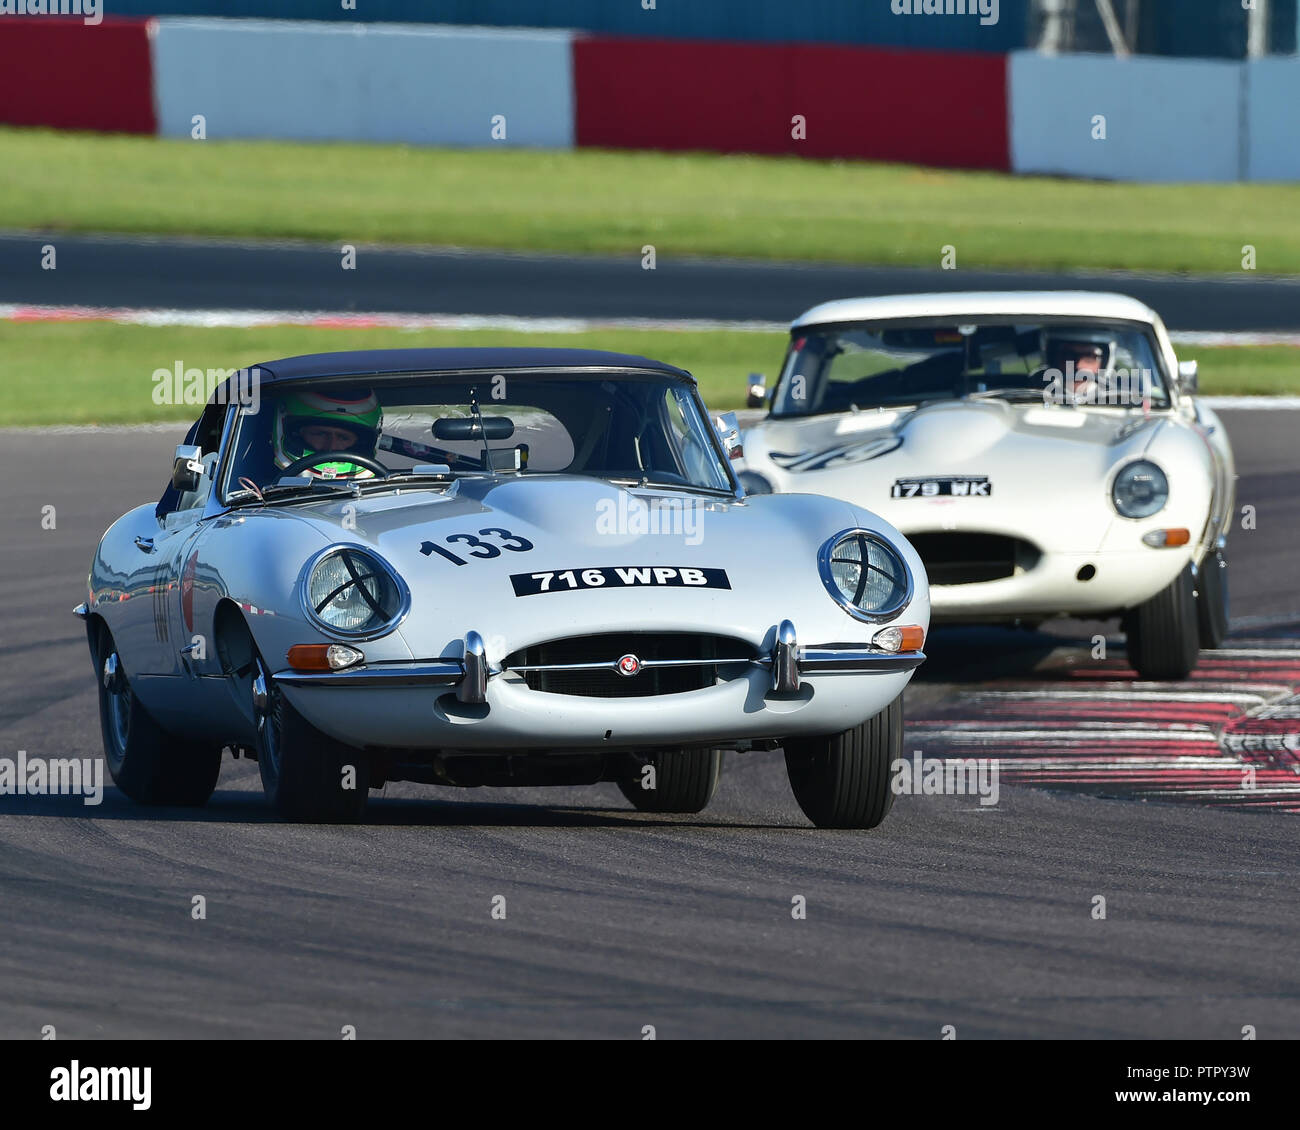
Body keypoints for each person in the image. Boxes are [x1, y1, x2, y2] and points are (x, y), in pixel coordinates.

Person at [272, 389, 383, 479]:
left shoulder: (384, 495)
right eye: (320, 434)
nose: (331, 446)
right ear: (296, 434)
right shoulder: (256, 486)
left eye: (343, 437)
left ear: (360, 444)